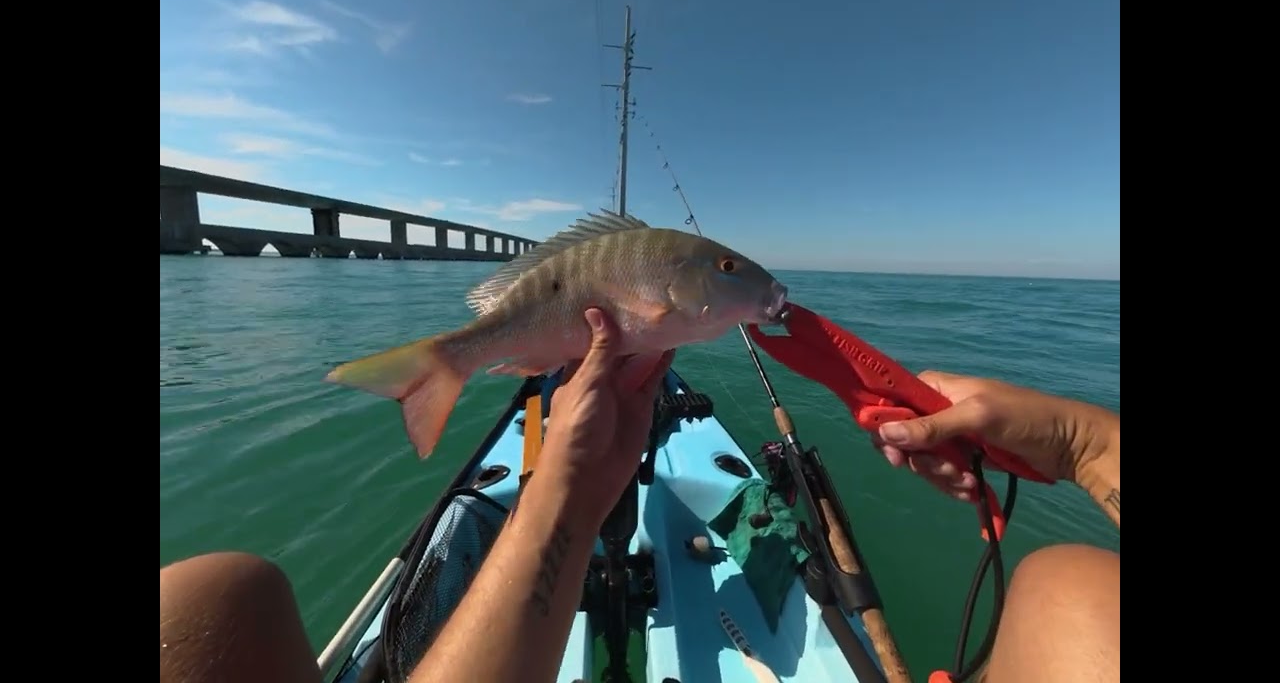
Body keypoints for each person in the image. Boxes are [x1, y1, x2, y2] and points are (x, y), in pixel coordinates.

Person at [160, 308, 1119, 683]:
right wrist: (1083, 442)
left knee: (213, 598)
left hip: (564, 471)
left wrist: (564, 499)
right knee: (1073, 585)